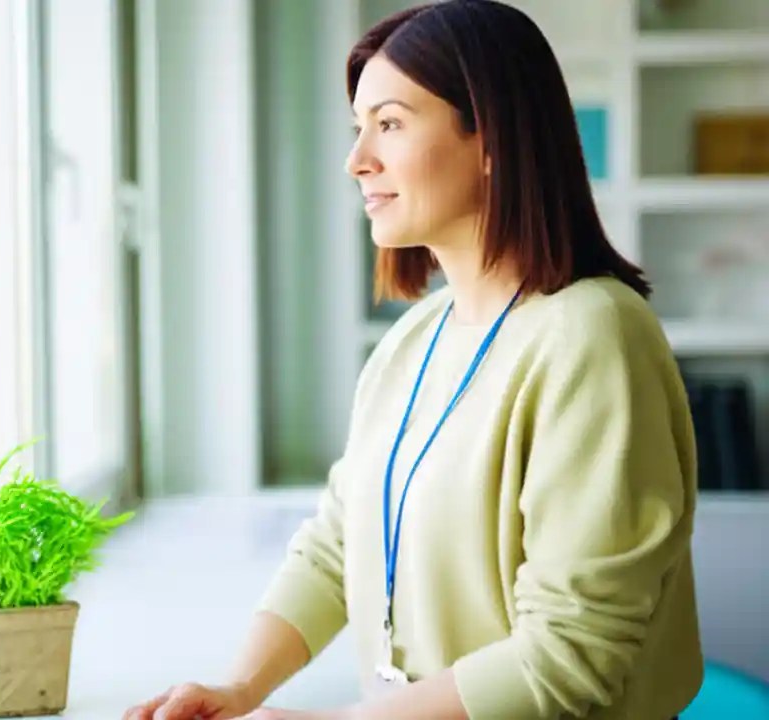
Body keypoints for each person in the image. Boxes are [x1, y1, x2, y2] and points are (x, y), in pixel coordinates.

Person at [123, 1, 704, 718]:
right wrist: (238, 690)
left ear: (491, 138)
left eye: (390, 124)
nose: (356, 159)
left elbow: (569, 657)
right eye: (357, 128)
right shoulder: (416, 337)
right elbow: (339, 545)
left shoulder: (595, 336)